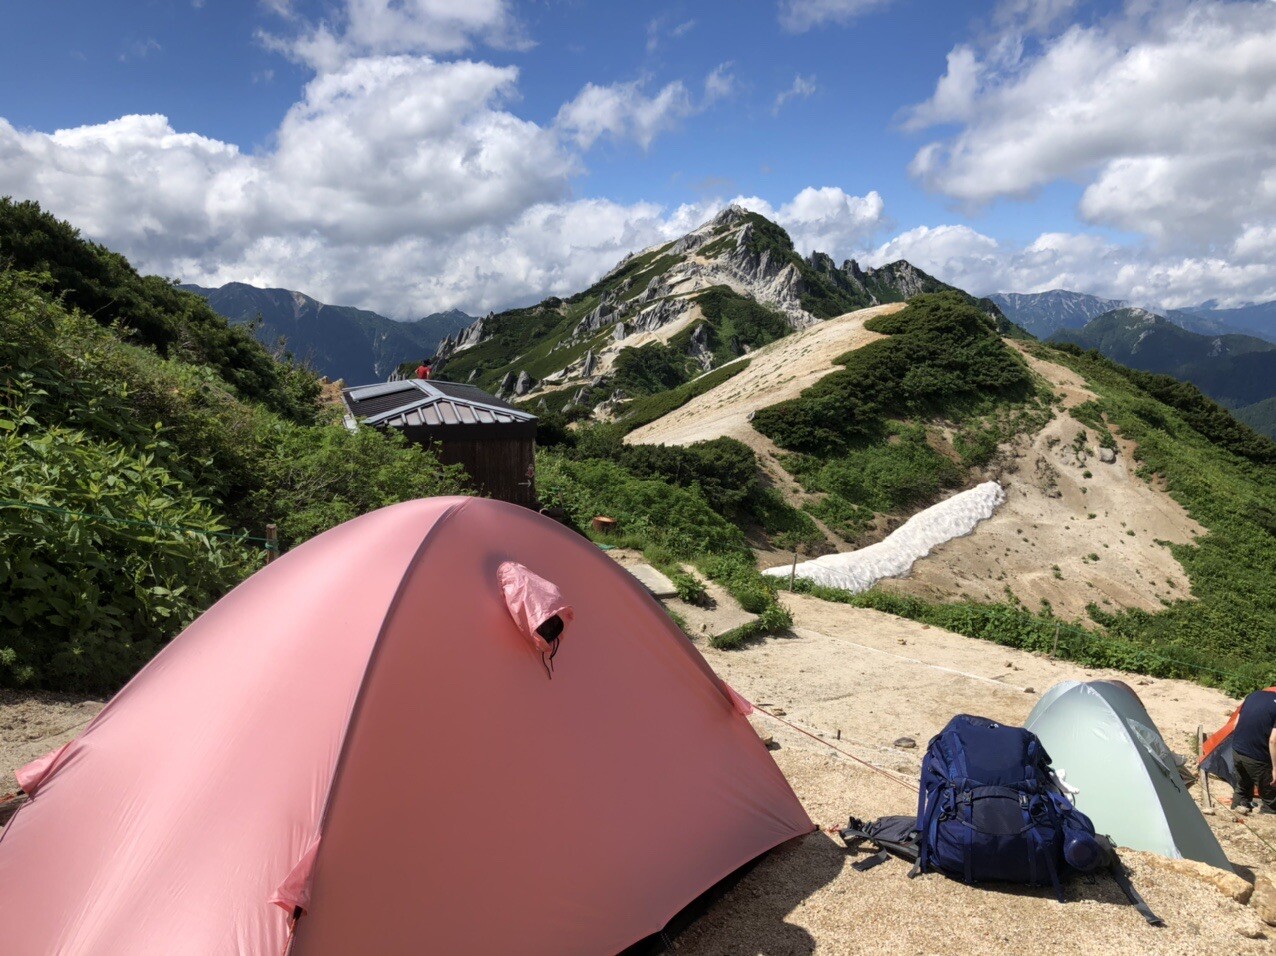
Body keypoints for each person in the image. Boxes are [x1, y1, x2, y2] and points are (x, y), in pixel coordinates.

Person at [1231, 687, 1276, 814]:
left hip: (1237, 750)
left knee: (1243, 787)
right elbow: (1273, 741)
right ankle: (1266, 825)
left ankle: (1236, 815)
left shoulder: (1254, 695)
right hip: (1257, 758)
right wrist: (1274, 769)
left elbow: (1236, 724)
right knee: (1271, 797)